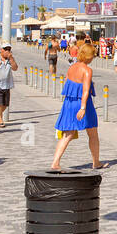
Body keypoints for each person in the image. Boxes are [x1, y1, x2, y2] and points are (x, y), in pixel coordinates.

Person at [50, 41, 105, 170]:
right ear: (89, 56)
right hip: (82, 104)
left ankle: (55, 162)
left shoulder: (72, 67)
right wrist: (83, 107)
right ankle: (96, 162)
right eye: (93, 55)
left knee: (67, 134)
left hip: (69, 103)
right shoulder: (87, 70)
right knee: (93, 133)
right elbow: (85, 90)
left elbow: (68, 85)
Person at [0, 41, 18, 128]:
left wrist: (11, 59)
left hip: (6, 84)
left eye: (9, 49)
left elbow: (15, 68)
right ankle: (0, 120)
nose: (7, 51)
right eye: (6, 49)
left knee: (5, 105)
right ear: (1, 50)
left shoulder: (10, 60)